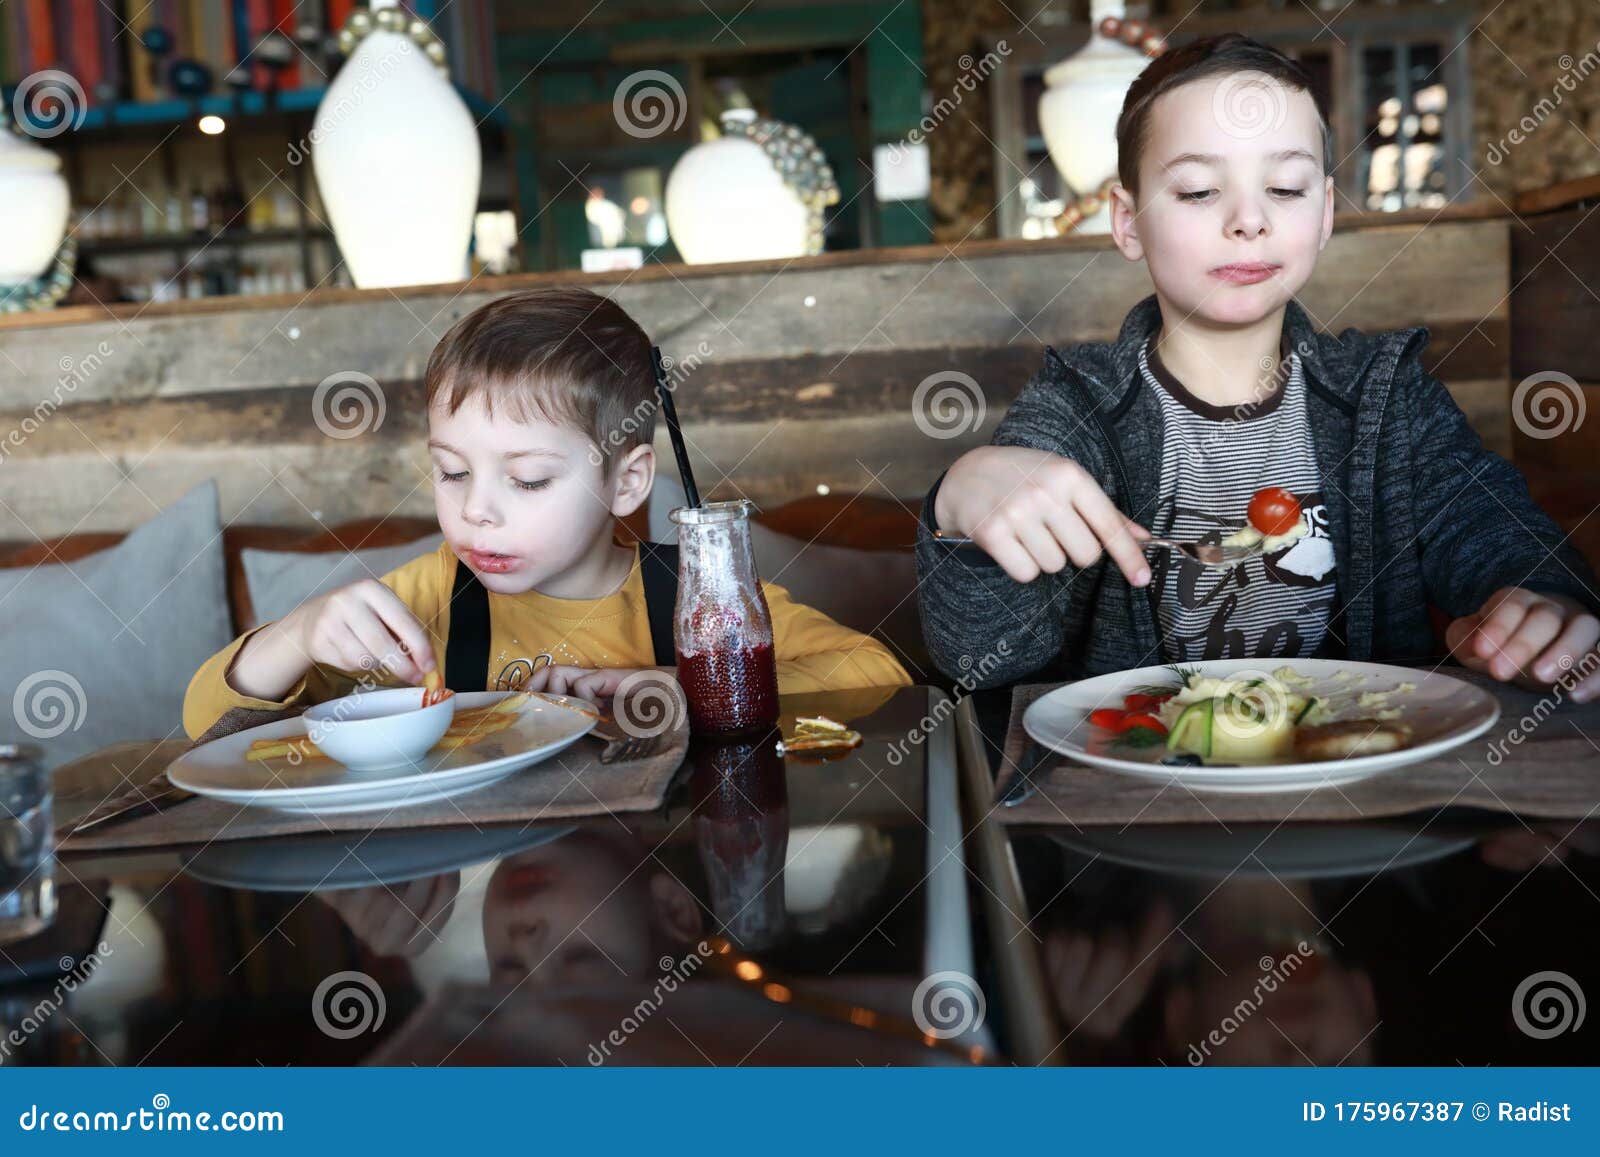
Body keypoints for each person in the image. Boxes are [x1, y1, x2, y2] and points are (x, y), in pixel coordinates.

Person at [917, 34, 1600, 697]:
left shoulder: (1387, 394)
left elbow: (1506, 545)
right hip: (1144, 801)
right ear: (1127, 222)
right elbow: (981, 658)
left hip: (1368, 786)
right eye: (1197, 192)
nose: (1249, 218)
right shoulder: (1077, 403)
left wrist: (1542, 604)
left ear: (1326, 212)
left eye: (1285, 186)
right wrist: (958, 499)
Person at [184, 287, 908, 737]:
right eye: (451, 471)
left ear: (628, 483)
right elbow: (201, 722)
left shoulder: (690, 598)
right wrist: (300, 634)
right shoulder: (433, 599)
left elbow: (879, 676)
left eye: (527, 479)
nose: (476, 511)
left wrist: (697, 688)